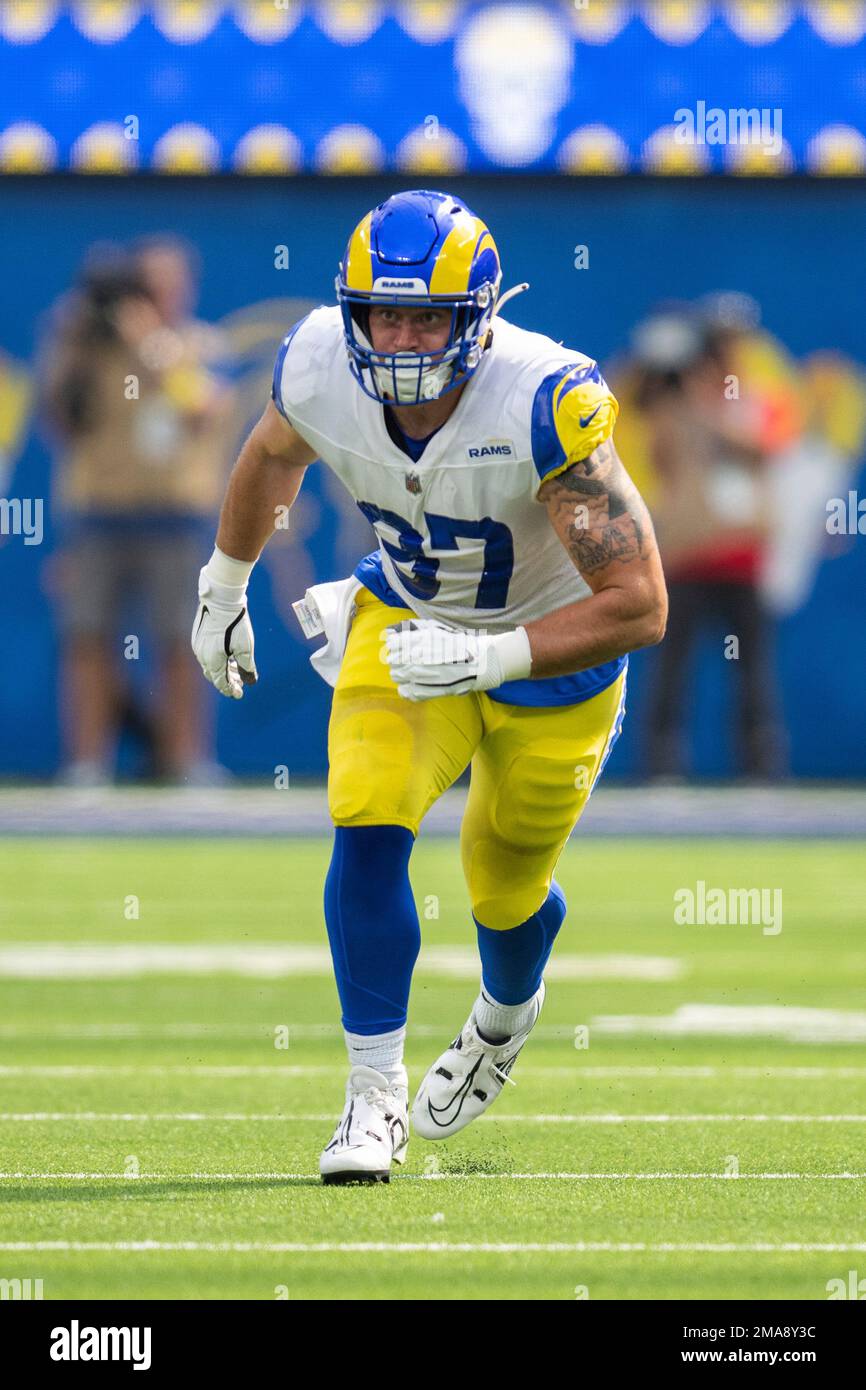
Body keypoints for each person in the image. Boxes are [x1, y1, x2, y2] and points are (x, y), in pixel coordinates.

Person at [191, 190, 667, 1183]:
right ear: (351, 310)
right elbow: (271, 451)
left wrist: (492, 657)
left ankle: (501, 1017)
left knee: (504, 885)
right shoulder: (319, 361)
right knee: (366, 821)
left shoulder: (541, 397)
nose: (400, 338)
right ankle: (371, 1099)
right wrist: (223, 581)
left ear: (475, 318)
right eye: (383, 314)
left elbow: (638, 602)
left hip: (553, 662)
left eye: (425, 317)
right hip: (405, 623)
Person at [42, 240, 233, 785]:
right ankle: (87, 763)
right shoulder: (91, 348)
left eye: (165, 285)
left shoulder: (197, 344)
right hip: (99, 515)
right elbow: (60, 417)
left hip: (172, 516)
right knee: (87, 635)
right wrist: (71, 337)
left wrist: (150, 342)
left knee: (180, 640)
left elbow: (203, 408)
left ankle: (186, 761)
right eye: (144, 286)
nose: (154, 297)